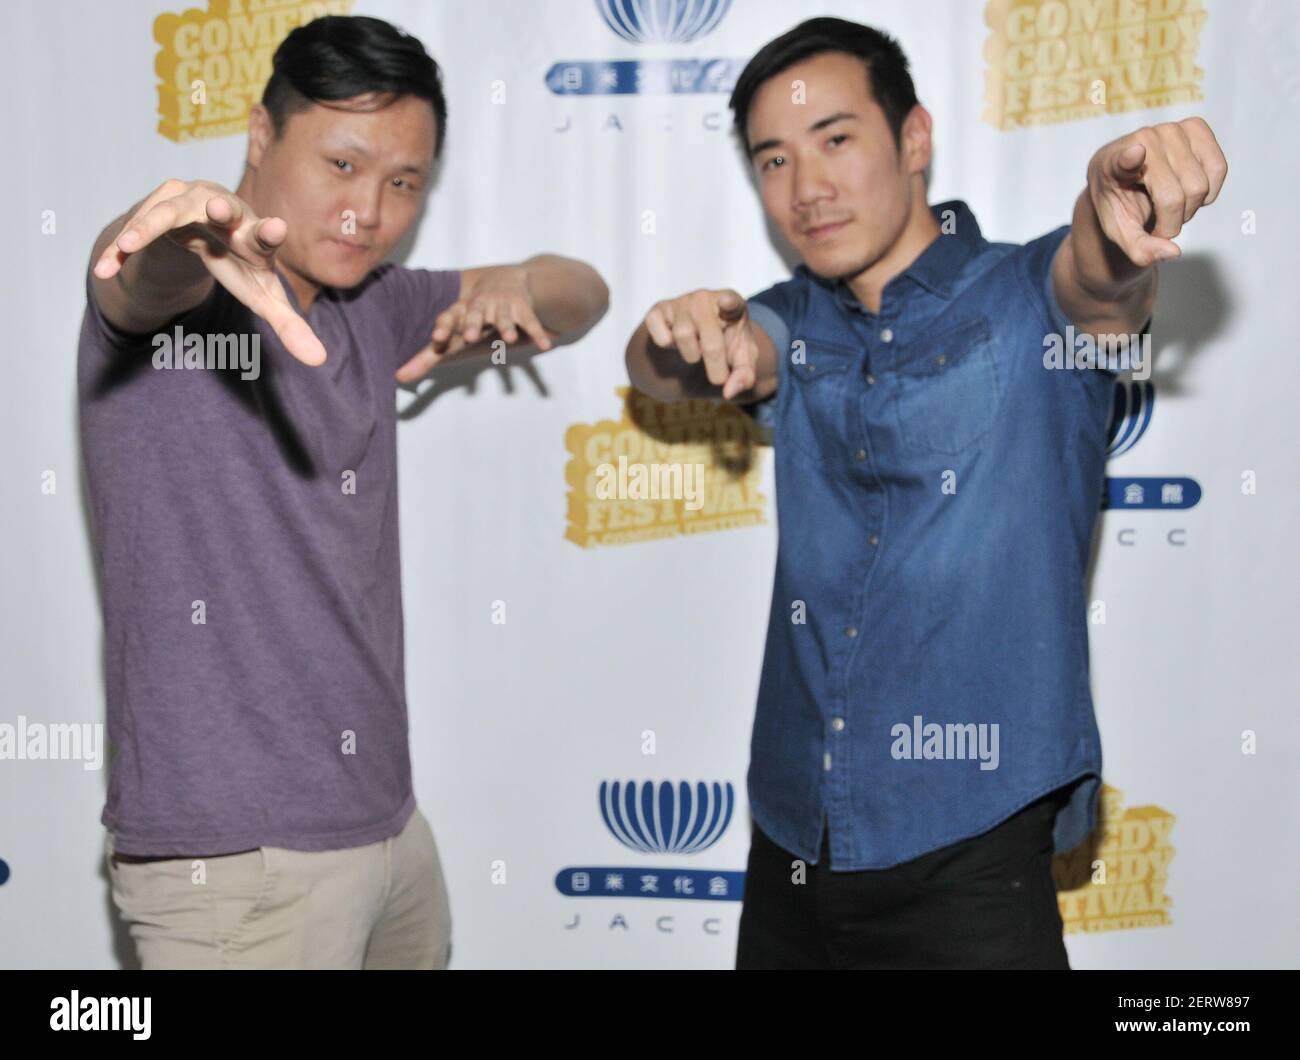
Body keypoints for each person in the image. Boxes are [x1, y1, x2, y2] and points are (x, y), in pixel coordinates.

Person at [624, 17, 1226, 969]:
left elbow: (1098, 286)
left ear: (913, 140)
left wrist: (1114, 218)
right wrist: (677, 337)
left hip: (971, 852)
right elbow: (684, 369)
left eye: (835, 139)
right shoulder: (794, 317)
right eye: (773, 160)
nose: (807, 187)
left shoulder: (1025, 295)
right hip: (790, 839)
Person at [81, 14, 608, 969]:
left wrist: (523, 284)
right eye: (342, 164)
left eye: (403, 182)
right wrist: (181, 234)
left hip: (389, 833)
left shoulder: (380, 304)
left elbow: (584, 296)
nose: (370, 209)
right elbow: (132, 275)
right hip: (234, 865)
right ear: (259, 135)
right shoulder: (181, 300)